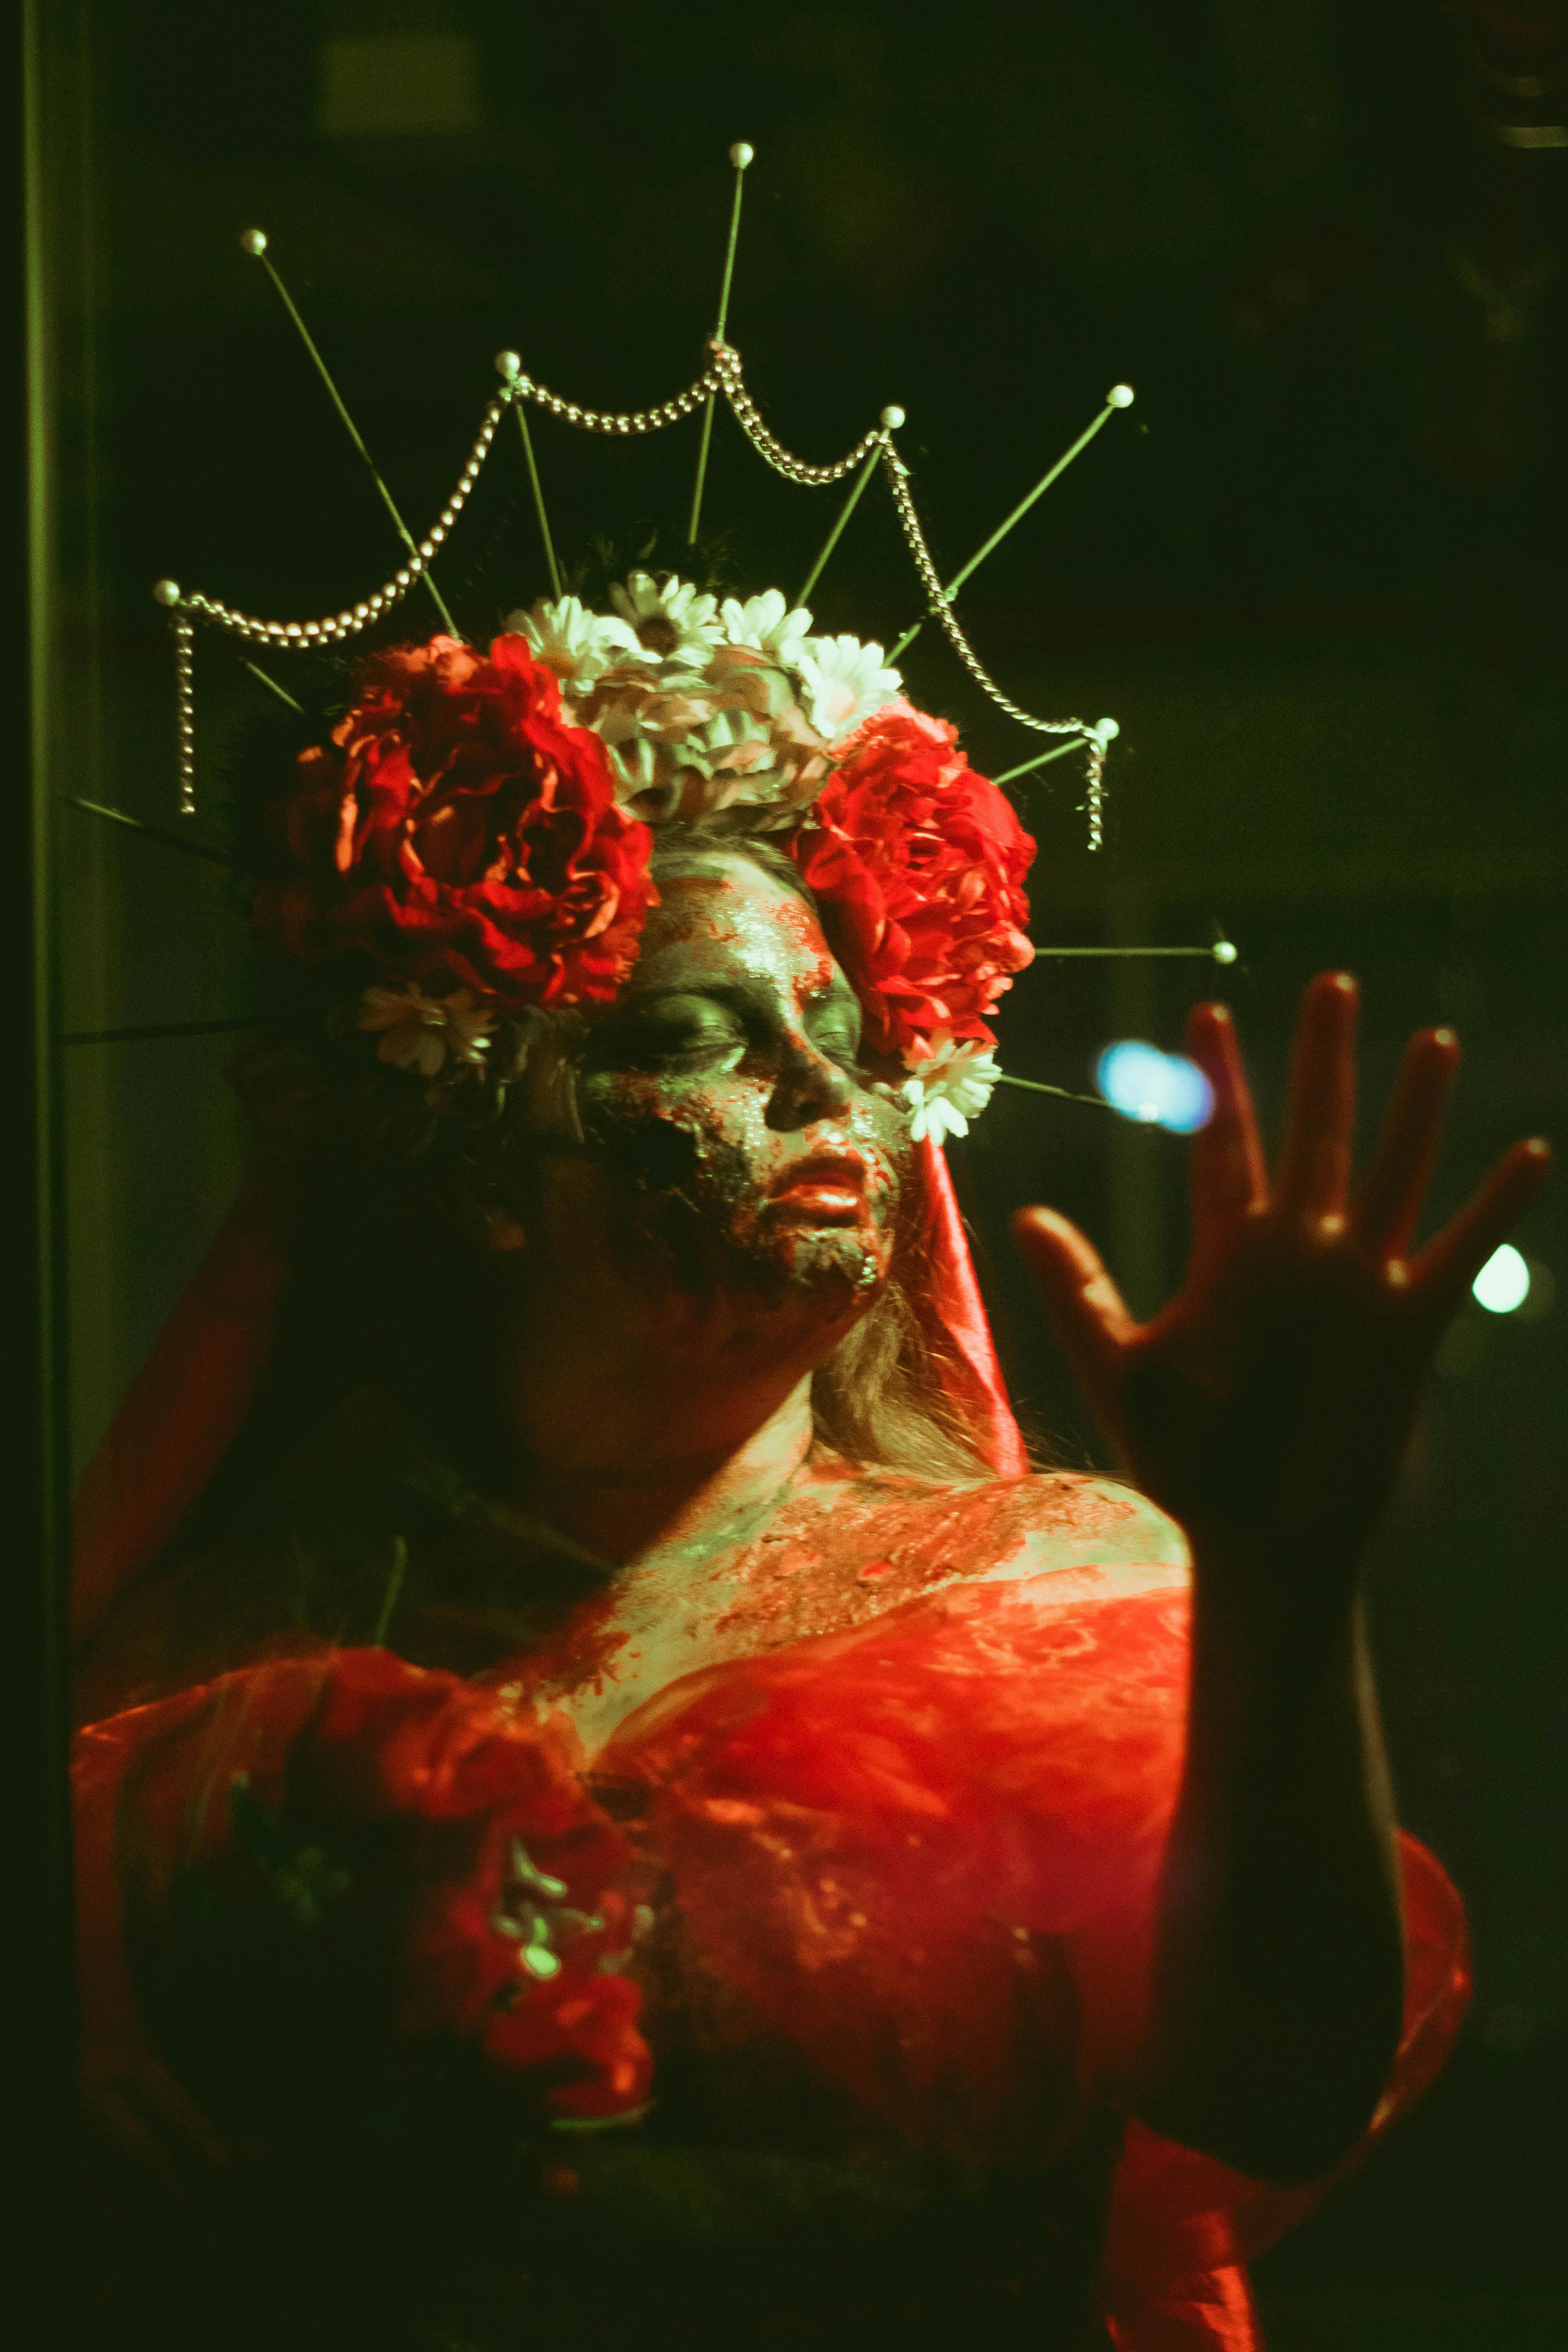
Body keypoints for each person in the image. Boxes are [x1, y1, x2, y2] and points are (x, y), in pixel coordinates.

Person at [71, 604, 1549, 2352]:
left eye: (844, 1031)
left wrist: (1285, 1576)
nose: (818, 1085)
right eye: (699, 1031)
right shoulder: (218, 1655)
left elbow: (1275, 2092)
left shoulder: (1040, 1614)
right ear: (480, 1147)